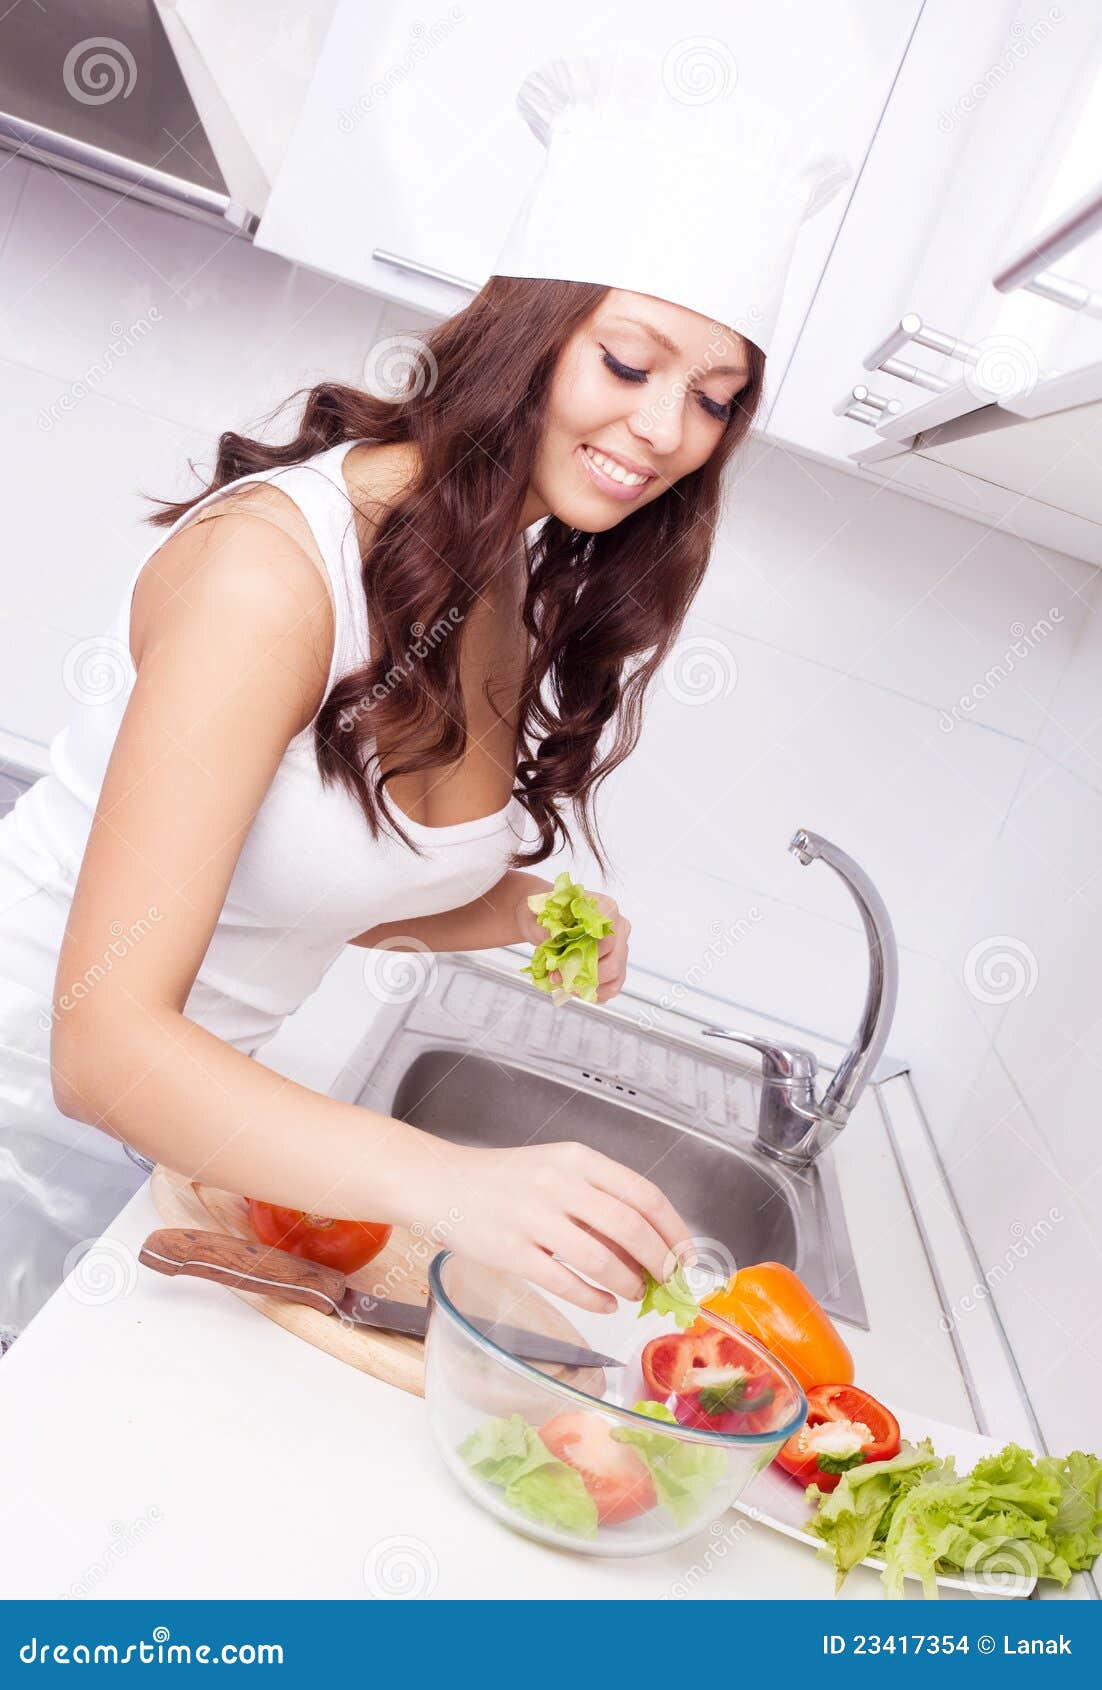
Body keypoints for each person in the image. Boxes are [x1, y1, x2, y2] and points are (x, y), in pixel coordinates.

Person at [0, 47, 849, 1350]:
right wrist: (450, 1177)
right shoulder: (274, 575)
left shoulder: (496, 569)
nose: (666, 429)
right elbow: (103, 1044)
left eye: (713, 398)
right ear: (524, 329)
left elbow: (289, 889)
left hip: (141, 1147)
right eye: (627, 362)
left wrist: (506, 908)